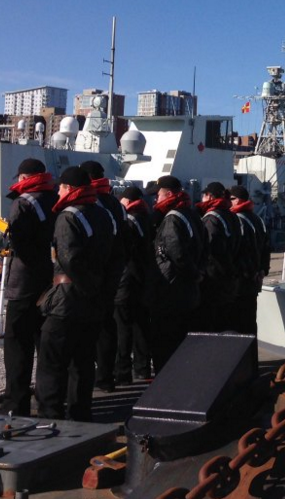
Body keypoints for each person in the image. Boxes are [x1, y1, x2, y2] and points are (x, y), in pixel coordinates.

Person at [35, 166, 114, 421]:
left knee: (52, 360)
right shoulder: (103, 215)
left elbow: (69, 257)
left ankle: (50, 414)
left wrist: (85, 286)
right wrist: (101, 290)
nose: (57, 190)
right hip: (95, 300)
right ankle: (81, 412)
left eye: (60, 187)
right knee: (83, 360)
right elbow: (118, 256)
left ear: (69, 188)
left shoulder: (67, 217)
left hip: (67, 299)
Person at [1, 158, 57, 417]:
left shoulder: (23, 203)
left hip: (24, 285)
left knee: (17, 349)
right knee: (46, 347)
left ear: (23, 178)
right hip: (52, 285)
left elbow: (20, 244)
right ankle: (49, 404)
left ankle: (16, 406)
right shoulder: (56, 200)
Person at [149, 175, 203, 371]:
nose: (156, 200)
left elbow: (176, 252)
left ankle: (165, 378)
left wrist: (190, 272)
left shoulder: (172, 218)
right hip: (188, 288)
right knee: (182, 334)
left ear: (169, 194)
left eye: (159, 195)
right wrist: (198, 273)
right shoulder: (191, 214)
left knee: (166, 337)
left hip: (171, 287)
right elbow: (204, 247)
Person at [79, 160, 125, 393]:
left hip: (92, 275)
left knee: (86, 331)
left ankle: (89, 380)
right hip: (113, 273)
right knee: (108, 326)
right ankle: (107, 376)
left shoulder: (90, 204)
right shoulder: (116, 204)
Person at [117, 186, 154, 381]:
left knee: (123, 328)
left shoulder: (130, 220)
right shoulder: (147, 218)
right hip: (144, 279)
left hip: (128, 281)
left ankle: (122, 371)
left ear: (126, 201)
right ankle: (143, 368)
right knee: (141, 326)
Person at [196, 181, 242, 332]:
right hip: (229, 277)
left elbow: (208, 248)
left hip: (213, 280)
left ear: (209, 196)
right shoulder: (233, 216)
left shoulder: (211, 218)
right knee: (225, 322)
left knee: (209, 323)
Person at [229, 185, 270, 335]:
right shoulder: (258, 219)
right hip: (255, 279)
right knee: (250, 321)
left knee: (237, 321)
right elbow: (266, 247)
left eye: (231, 199)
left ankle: (239, 356)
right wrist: (262, 270)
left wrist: (246, 272)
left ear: (238, 200)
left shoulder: (237, 220)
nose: (228, 203)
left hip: (242, 280)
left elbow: (244, 249)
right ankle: (251, 356)